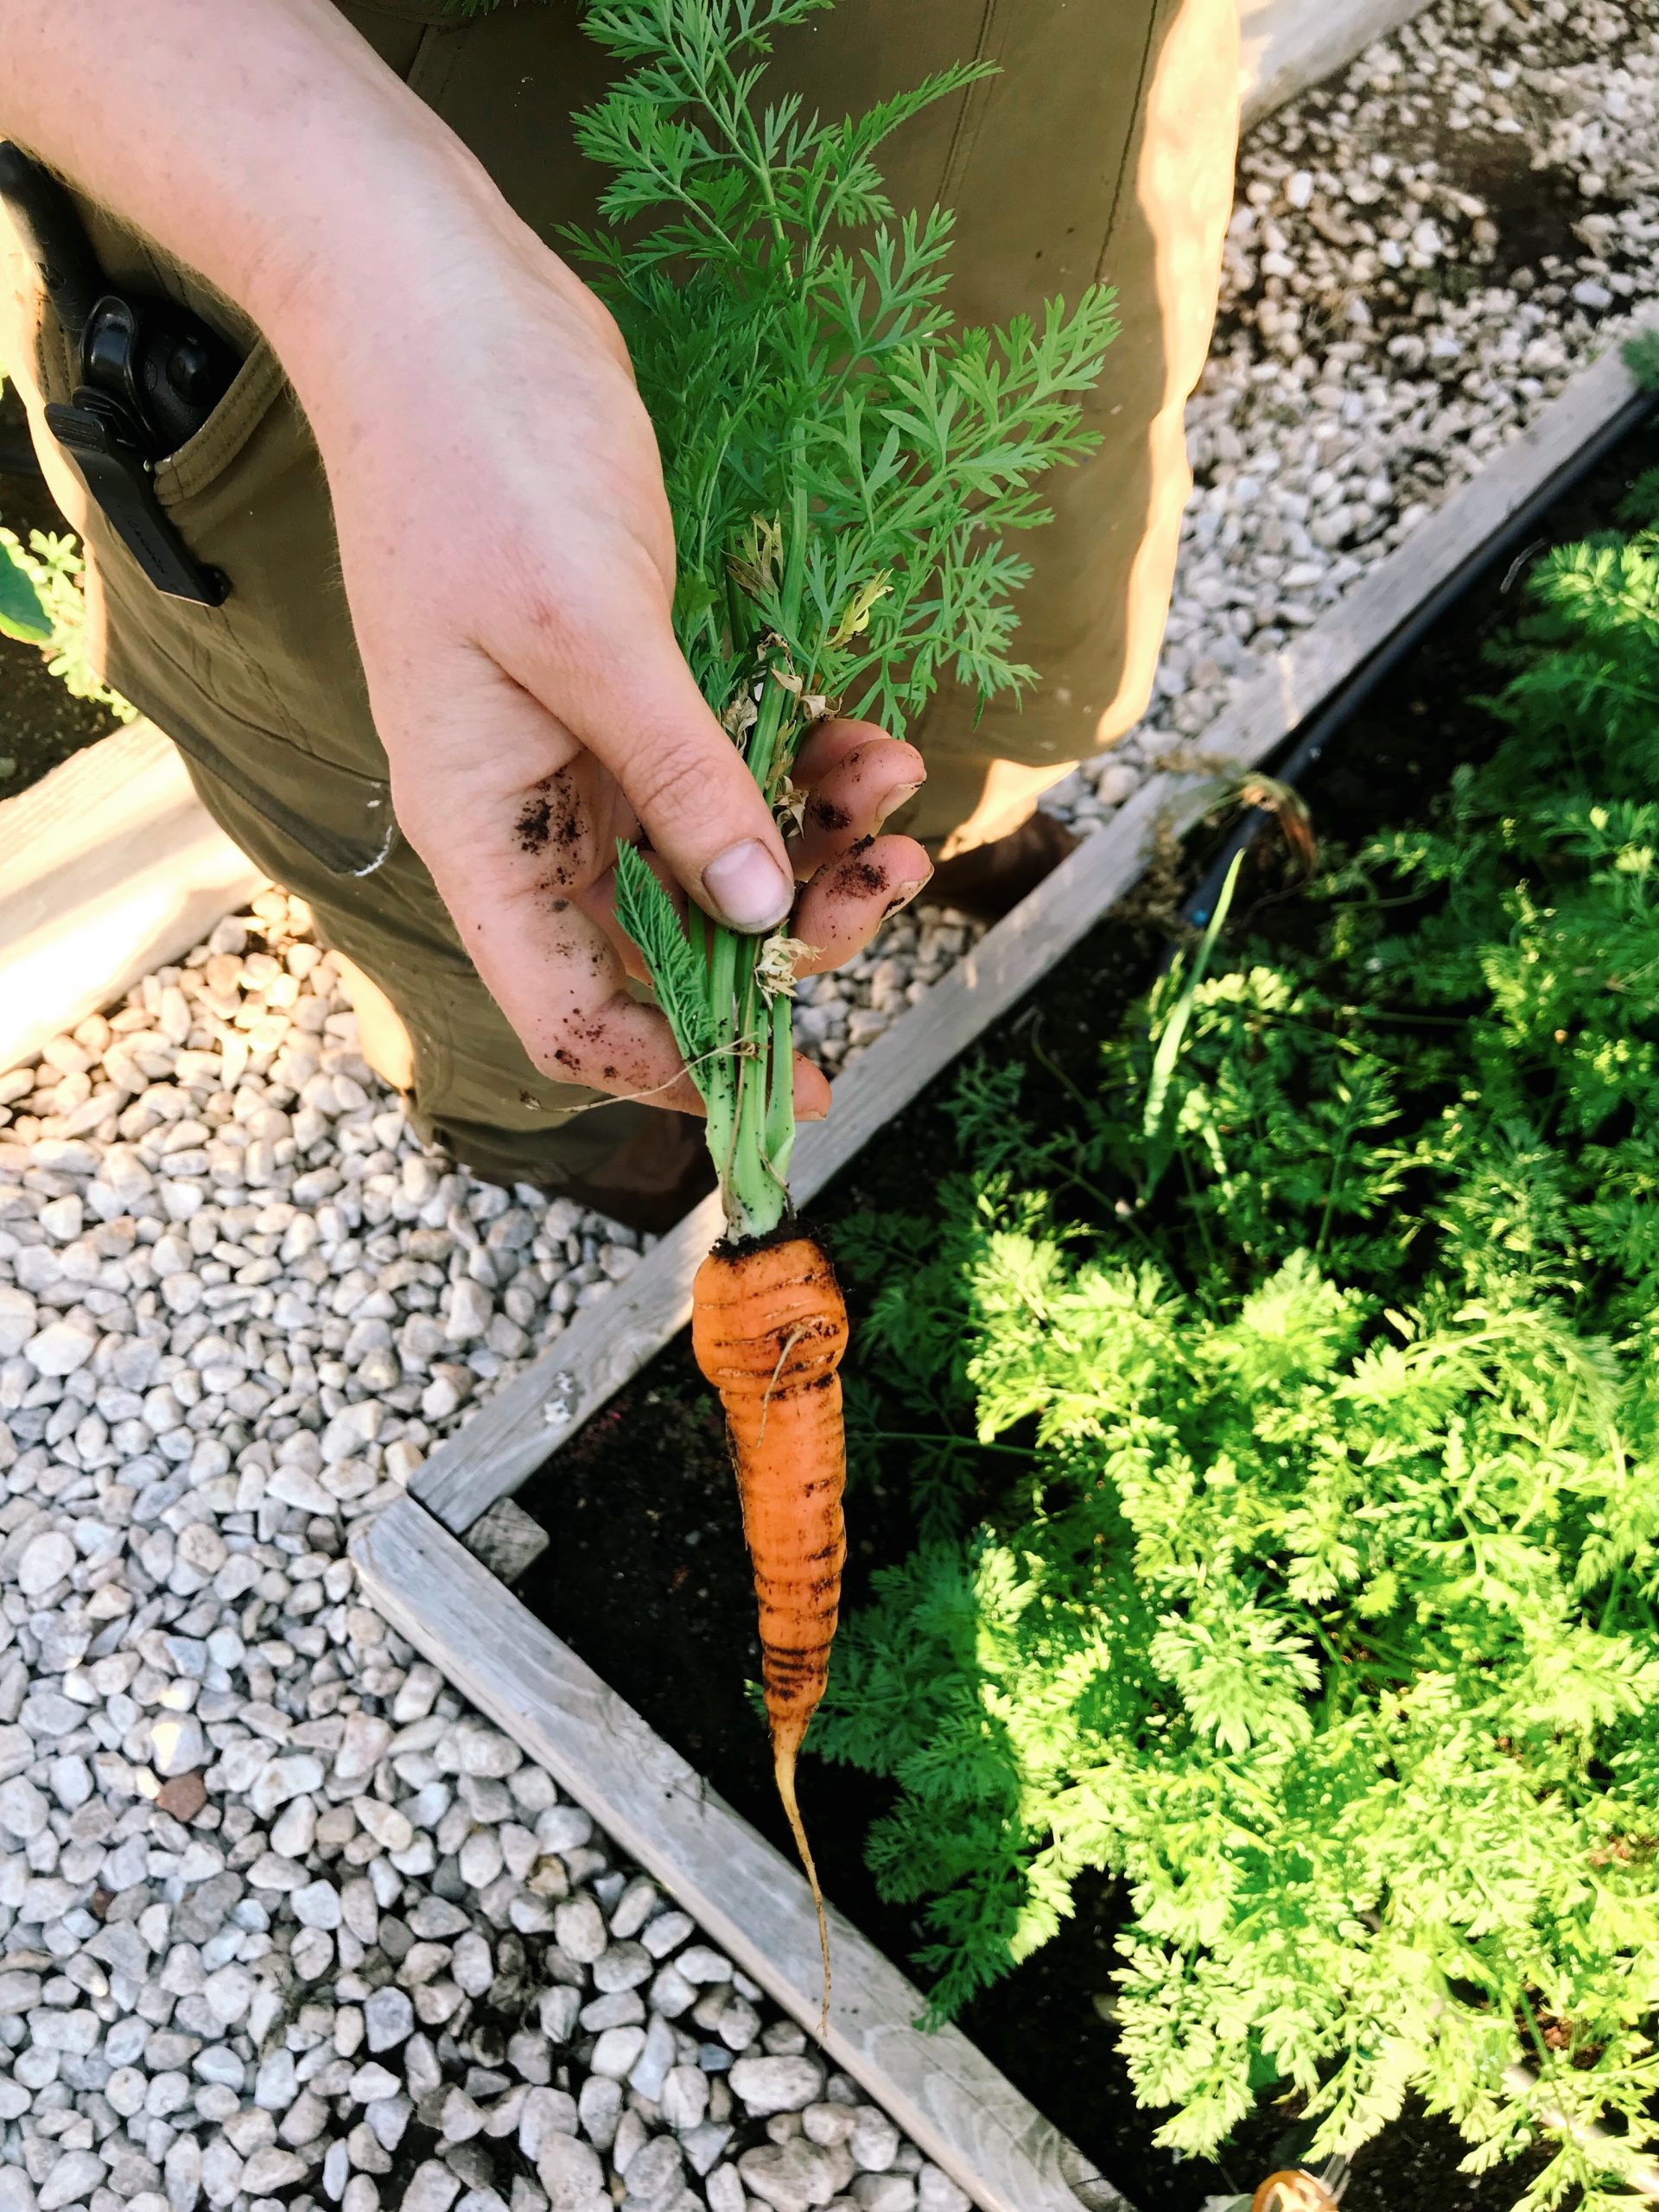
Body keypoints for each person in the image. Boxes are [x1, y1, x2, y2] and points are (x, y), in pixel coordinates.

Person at [0, 0, 1237, 1228]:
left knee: (991, 642)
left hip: (1059, 107)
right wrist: (371, 273)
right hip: (367, 197)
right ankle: (560, 1135)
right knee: (499, 832)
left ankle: (968, 821)